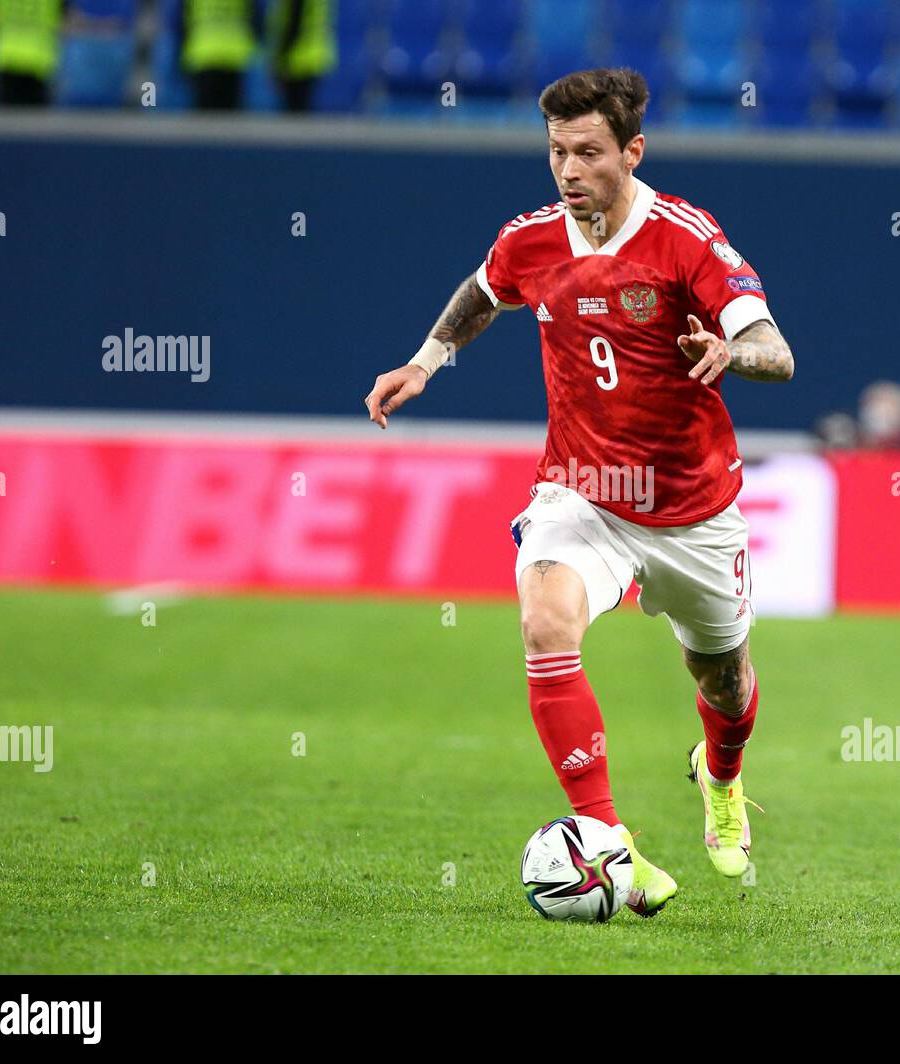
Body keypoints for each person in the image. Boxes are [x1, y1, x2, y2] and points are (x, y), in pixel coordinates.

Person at [364, 68, 794, 916]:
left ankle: (721, 776)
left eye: (588, 152)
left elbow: (777, 351)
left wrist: (729, 352)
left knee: (726, 688)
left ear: (632, 151)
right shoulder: (532, 239)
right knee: (543, 620)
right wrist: (423, 361)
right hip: (583, 489)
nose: (568, 169)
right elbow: (484, 293)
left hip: (690, 506)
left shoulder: (687, 238)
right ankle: (608, 841)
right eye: (557, 151)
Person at [0, 0, 66, 106]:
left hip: (7, 57)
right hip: (39, 60)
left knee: (7, 116)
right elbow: (64, 25)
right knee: (35, 117)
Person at [267, 0, 336, 112]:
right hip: (315, 56)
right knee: (305, 110)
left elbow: (293, 26)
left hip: (296, 59)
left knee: (296, 113)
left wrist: (280, 60)